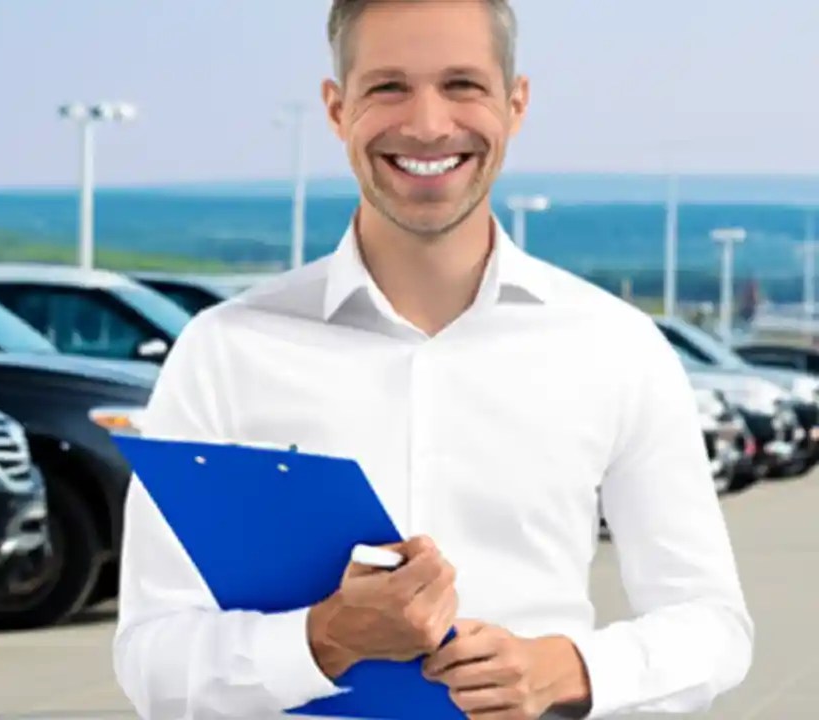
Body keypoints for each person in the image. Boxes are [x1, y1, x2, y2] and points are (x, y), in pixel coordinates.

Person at [112, 1, 754, 718]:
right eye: (388, 87)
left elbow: (712, 626)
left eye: (462, 85)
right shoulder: (227, 349)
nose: (426, 124)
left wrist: (565, 669)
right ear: (335, 108)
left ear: (515, 104)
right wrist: (322, 640)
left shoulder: (616, 346)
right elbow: (151, 660)